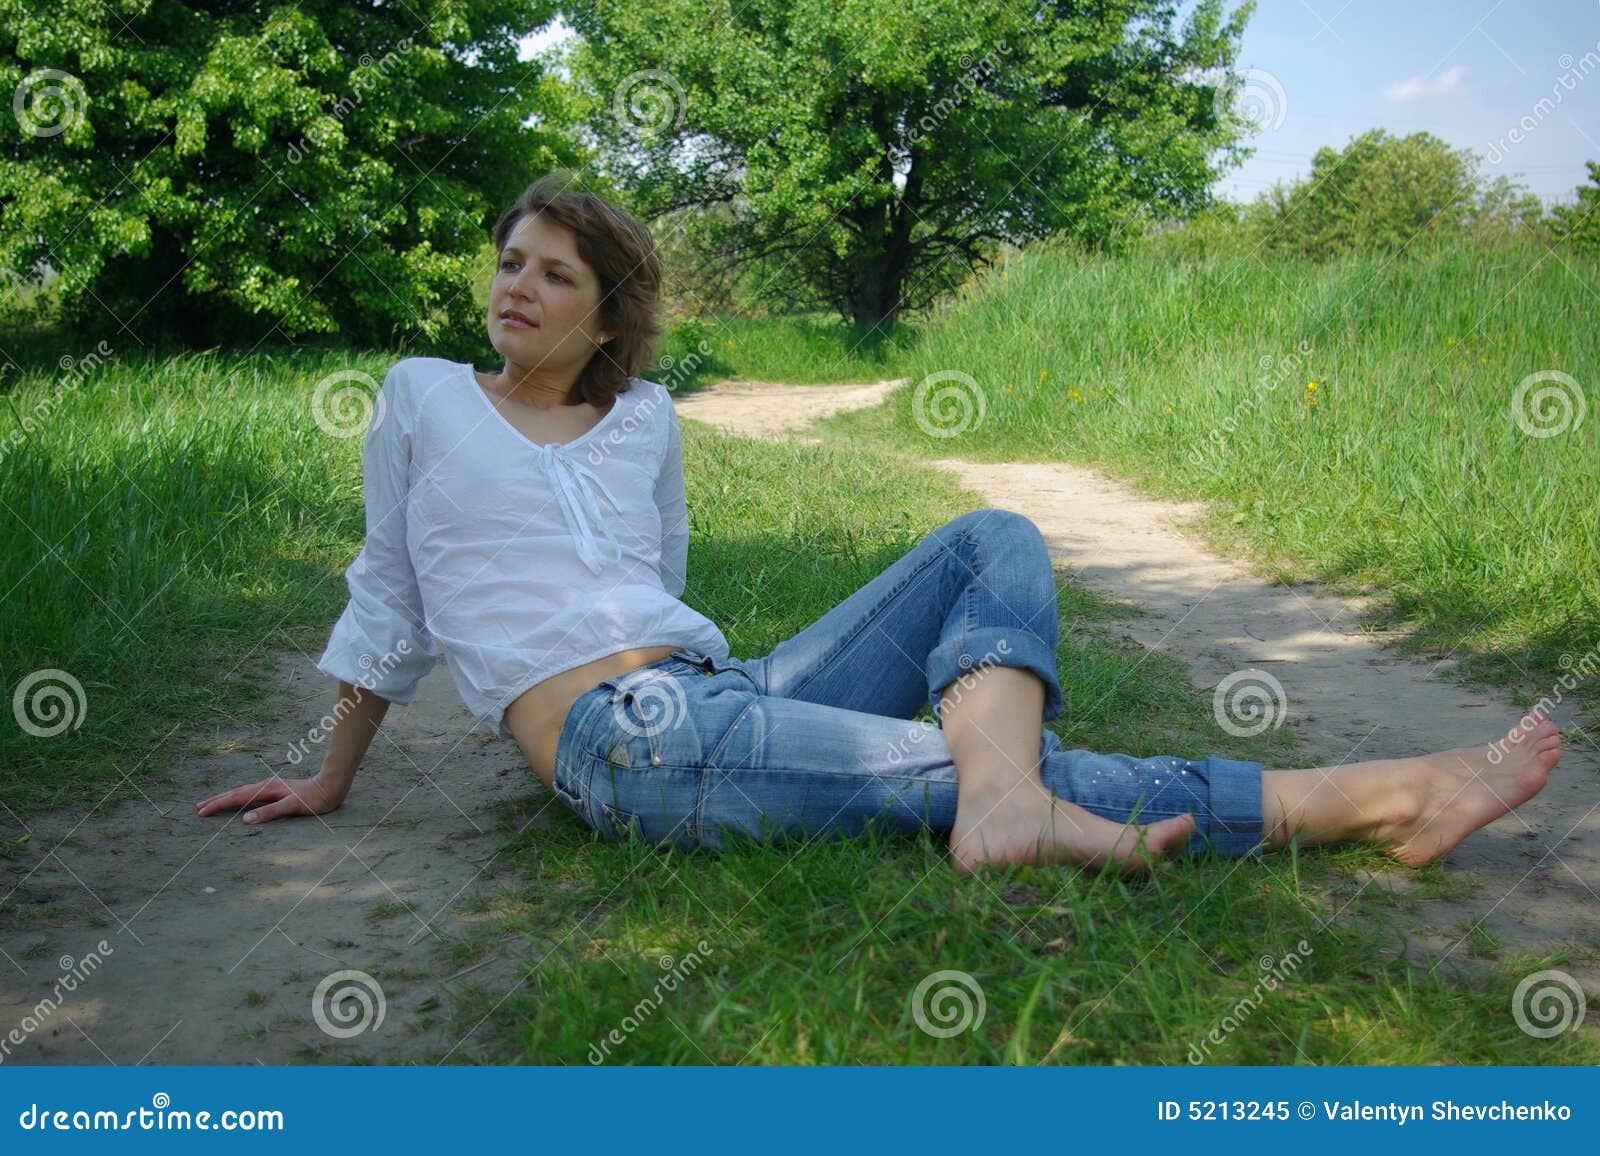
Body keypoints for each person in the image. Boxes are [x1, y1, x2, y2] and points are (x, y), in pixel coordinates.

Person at [196, 174, 1564, 876]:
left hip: (712, 691)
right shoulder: (423, 397)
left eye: (554, 275)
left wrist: (711, 679)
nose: (517, 287)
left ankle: (1008, 796)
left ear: (609, 313)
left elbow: (656, 590)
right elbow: (390, 596)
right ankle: (1382, 798)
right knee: (934, 764)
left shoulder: (649, 418)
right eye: (508, 262)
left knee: (992, 535)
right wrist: (330, 774)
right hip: (626, 752)